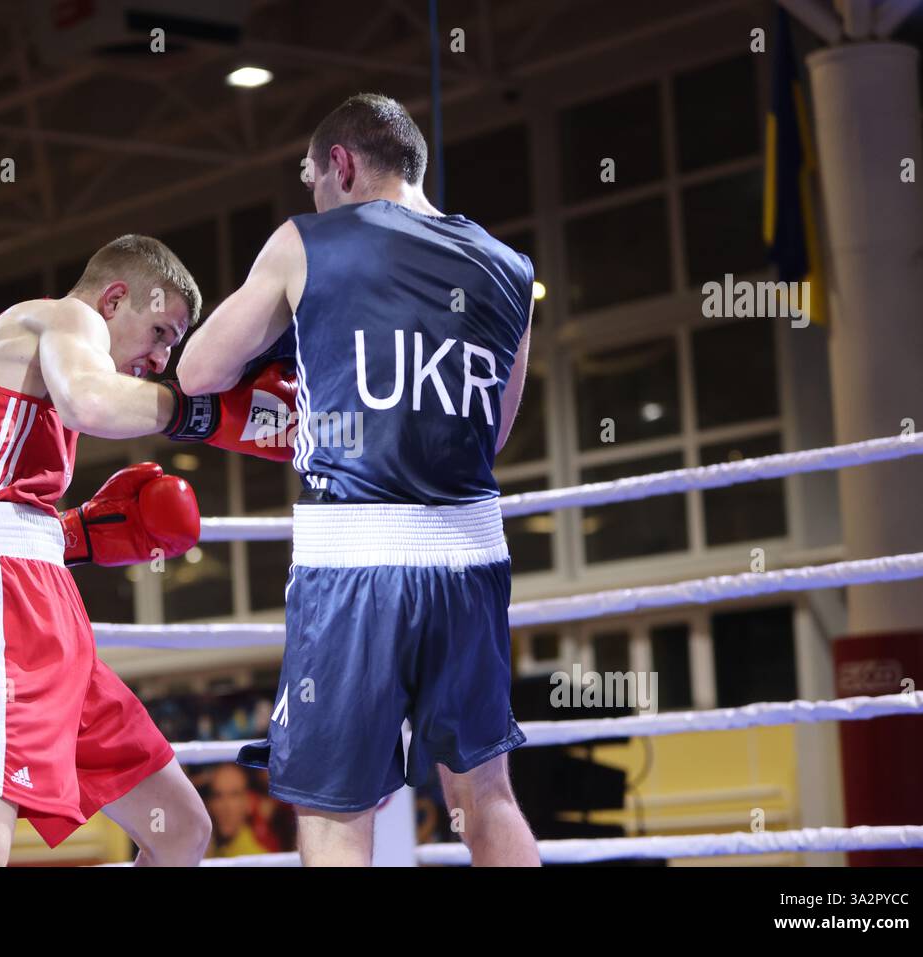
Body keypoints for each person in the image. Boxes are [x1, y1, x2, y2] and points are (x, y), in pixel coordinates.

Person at [177, 94, 540, 866]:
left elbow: (199, 369)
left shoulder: (310, 240)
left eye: (311, 177)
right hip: (471, 564)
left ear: (339, 164)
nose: (311, 193)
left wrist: (284, 352)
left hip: (355, 568)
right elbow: (495, 431)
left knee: (336, 813)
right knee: (486, 799)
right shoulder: (511, 271)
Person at [0, 234, 297, 866]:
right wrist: (201, 411)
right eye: (160, 333)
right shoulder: (61, 316)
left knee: (180, 830)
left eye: (172, 343)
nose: (161, 356)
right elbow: (91, 402)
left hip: (44, 603)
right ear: (115, 298)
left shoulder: (40, 373)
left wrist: (75, 534)